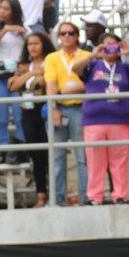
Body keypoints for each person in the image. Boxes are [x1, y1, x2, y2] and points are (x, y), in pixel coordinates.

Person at [72, 32, 129, 205]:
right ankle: (94, 197)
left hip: (120, 120)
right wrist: (93, 54)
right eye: (106, 46)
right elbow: (75, 69)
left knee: (119, 161)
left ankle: (120, 195)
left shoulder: (126, 67)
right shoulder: (92, 65)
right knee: (95, 162)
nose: (110, 50)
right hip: (94, 121)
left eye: (114, 46)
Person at [43, 21, 88, 206]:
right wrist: (54, 108)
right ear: (59, 37)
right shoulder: (52, 58)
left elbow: (89, 85)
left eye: (71, 33)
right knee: (57, 158)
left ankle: (87, 198)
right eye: (63, 33)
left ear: (77, 36)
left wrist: (62, 93)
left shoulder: (86, 56)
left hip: (81, 108)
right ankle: (58, 199)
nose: (67, 36)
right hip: (59, 108)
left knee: (82, 157)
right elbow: (50, 84)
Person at [8, 30, 54, 208]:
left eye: (36, 43)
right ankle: (41, 195)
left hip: (45, 109)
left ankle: (55, 193)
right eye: (29, 44)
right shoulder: (23, 66)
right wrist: (33, 73)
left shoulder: (51, 61)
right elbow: (13, 85)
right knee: (37, 155)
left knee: (50, 153)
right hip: (28, 112)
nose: (32, 47)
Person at [0, 0, 26, 156]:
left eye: (7, 9)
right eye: (1, 8)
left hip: (17, 75)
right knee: (1, 116)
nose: (2, 12)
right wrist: (5, 30)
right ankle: (4, 150)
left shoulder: (24, 29)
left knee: (19, 114)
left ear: (14, 11)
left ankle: (21, 148)